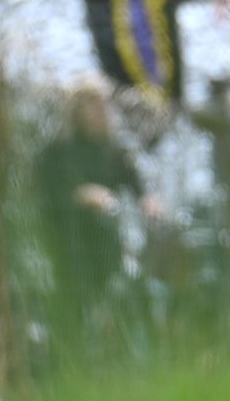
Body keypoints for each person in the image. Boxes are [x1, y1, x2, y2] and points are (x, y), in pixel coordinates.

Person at [33, 78, 157, 365]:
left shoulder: (113, 150)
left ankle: (129, 360)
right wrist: (82, 195)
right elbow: (50, 194)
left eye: (102, 105)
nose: (99, 111)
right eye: (91, 105)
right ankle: (73, 366)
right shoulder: (57, 152)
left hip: (107, 245)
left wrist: (147, 200)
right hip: (70, 247)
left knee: (128, 295)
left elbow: (134, 181)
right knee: (74, 311)